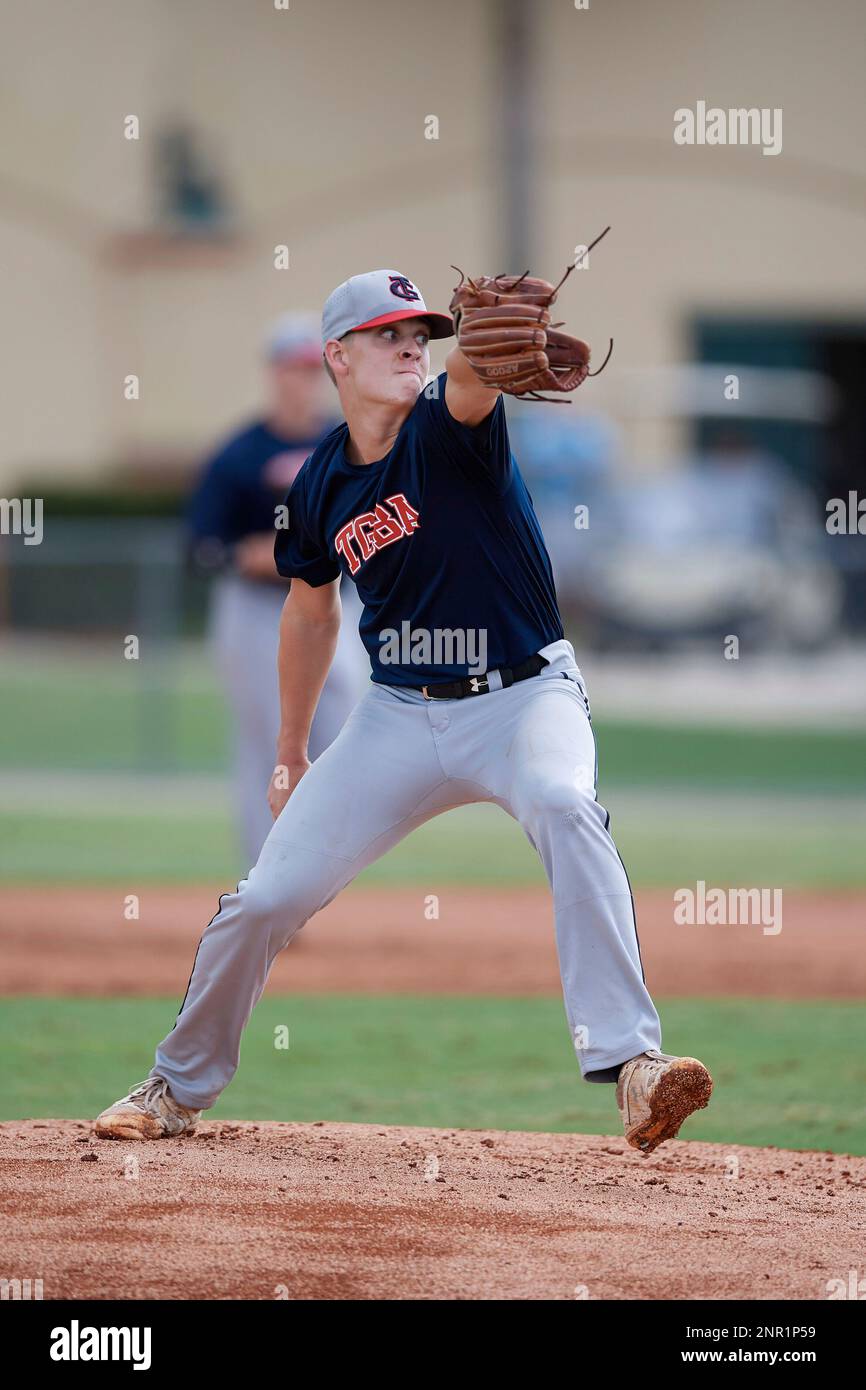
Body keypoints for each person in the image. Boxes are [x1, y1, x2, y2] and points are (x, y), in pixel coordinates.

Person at [95, 269, 713, 1155]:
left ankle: (635, 1065)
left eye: (419, 333)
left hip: (523, 695)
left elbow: (473, 377)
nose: (411, 346)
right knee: (266, 895)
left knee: (564, 803)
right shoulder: (316, 487)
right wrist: (291, 748)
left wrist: (487, 360)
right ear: (335, 357)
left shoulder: (448, 425)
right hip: (394, 715)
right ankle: (175, 1086)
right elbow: (310, 612)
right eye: (387, 334)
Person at [187, 313, 367, 862]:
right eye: (292, 368)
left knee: (343, 737)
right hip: (255, 613)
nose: (302, 380)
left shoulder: (349, 444)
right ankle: (265, 875)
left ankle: (312, 866)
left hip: (335, 606)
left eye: (312, 370)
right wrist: (254, 553)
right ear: (273, 374)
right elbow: (202, 546)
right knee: (271, 745)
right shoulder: (239, 453)